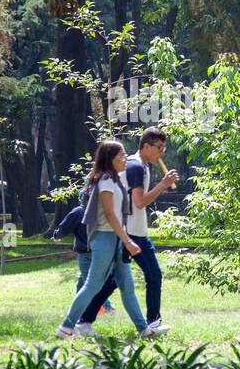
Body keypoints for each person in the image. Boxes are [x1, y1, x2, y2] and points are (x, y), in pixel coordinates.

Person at [56, 139, 162, 339]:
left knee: (127, 285)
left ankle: (143, 329)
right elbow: (110, 214)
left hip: (116, 238)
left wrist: (123, 239)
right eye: (121, 155)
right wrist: (128, 241)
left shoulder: (115, 179)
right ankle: (66, 327)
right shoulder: (105, 180)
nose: (125, 158)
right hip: (104, 238)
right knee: (93, 285)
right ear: (110, 159)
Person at [77, 126, 178, 333]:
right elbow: (140, 202)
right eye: (158, 148)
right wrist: (163, 184)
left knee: (113, 280)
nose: (161, 153)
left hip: (135, 231)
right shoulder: (135, 167)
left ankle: (84, 321)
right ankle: (153, 323)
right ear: (146, 146)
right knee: (153, 275)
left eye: (163, 149)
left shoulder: (140, 166)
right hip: (130, 233)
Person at [52, 187, 116, 317]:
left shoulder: (78, 212)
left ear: (82, 198)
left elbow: (64, 227)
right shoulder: (103, 211)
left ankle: (107, 308)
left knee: (92, 283)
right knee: (83, 280)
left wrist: (57, 235)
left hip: (86, 253)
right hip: (104, 251)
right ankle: (77, 307)